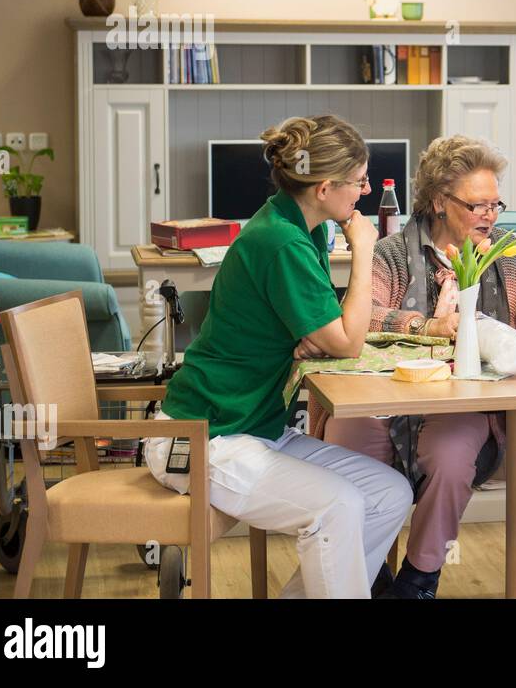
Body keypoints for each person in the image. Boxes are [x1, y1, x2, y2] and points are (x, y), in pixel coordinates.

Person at [144, 114, 412, 599]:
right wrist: (365, 250)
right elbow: (348, 342)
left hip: (256, 429)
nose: (367, 191)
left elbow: (331, 332)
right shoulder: (281, 240)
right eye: (358, 181)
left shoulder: (298, 227)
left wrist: (322, 334)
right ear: (325, 187)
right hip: (200, 438)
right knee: (338, 506)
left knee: (389, 494)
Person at [309, 135, 516, 598]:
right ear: (439, 201)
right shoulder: (392, 253)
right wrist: (426, 324)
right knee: (349, 445)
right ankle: (367, 573)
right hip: (382, 399)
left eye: (496, 204)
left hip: (465, 404)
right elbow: (362, 316)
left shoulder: (507, 254)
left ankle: (419, 578)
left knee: (450, 459)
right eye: (477, 205)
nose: (490, 216)